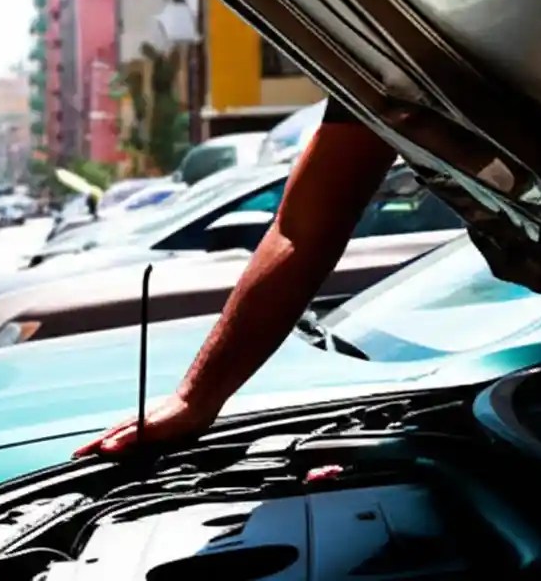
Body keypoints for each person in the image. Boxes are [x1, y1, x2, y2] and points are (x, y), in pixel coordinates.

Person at [74, 98, 397, 457]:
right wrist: (193, 399)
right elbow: (301, 230)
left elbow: (304, 229)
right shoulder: (373, 72)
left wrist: (195, 398)